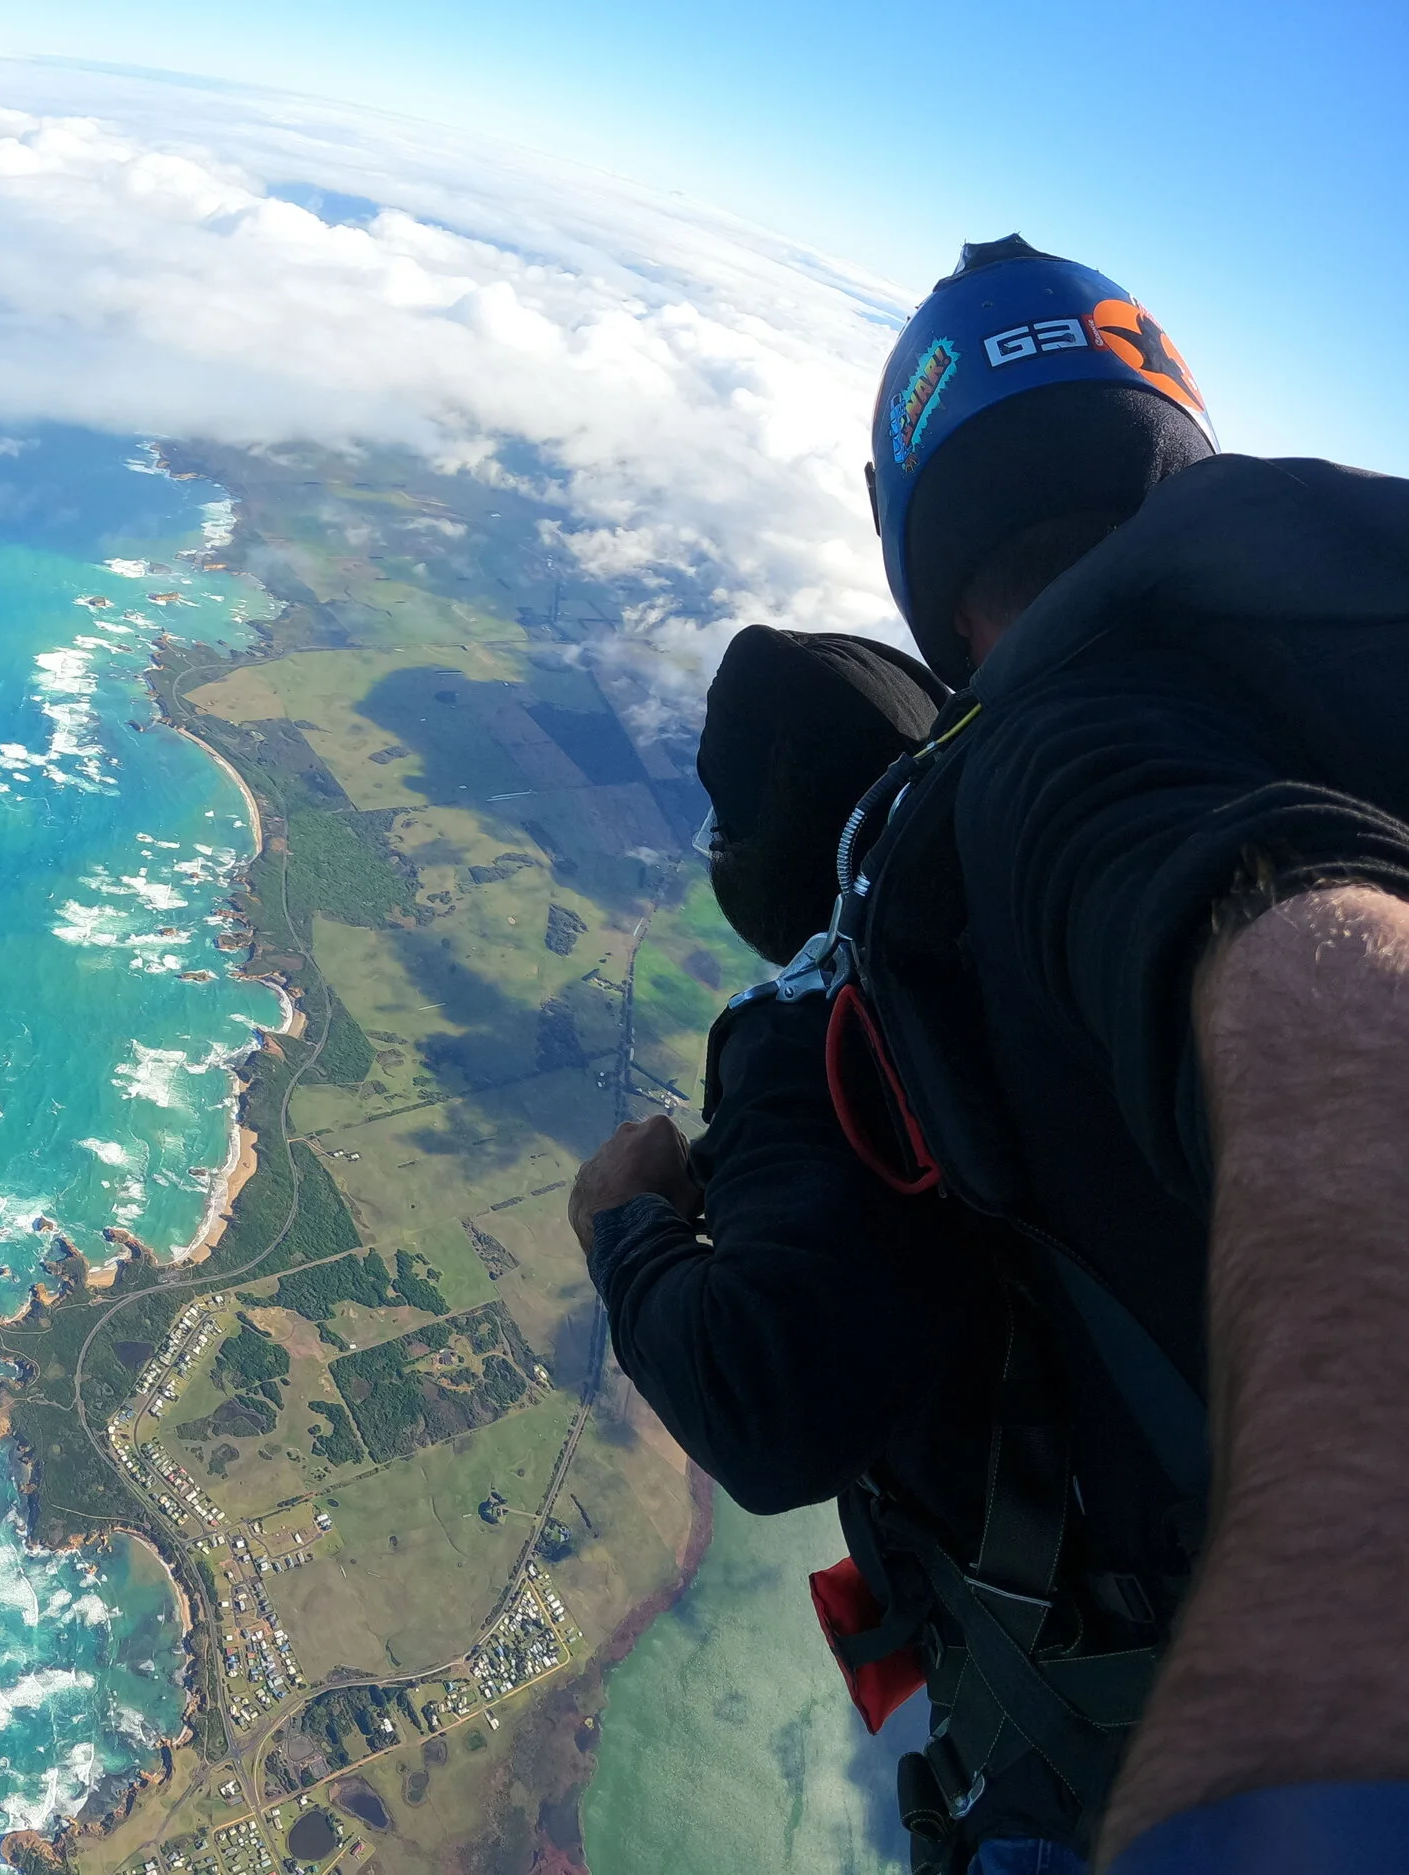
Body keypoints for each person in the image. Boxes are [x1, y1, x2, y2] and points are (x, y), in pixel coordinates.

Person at [606, 234, 1409, 1869]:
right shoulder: (1293, 689)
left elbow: (1310, 960)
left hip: (1150, 1778)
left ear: (925, 550)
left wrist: (617, 1221)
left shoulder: (1059, 755)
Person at [578, 624, 1191, 1873]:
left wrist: (623, 1226)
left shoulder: (837, 1022)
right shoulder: (1039, 952)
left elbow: (766, 1403)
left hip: (1138, 1748)